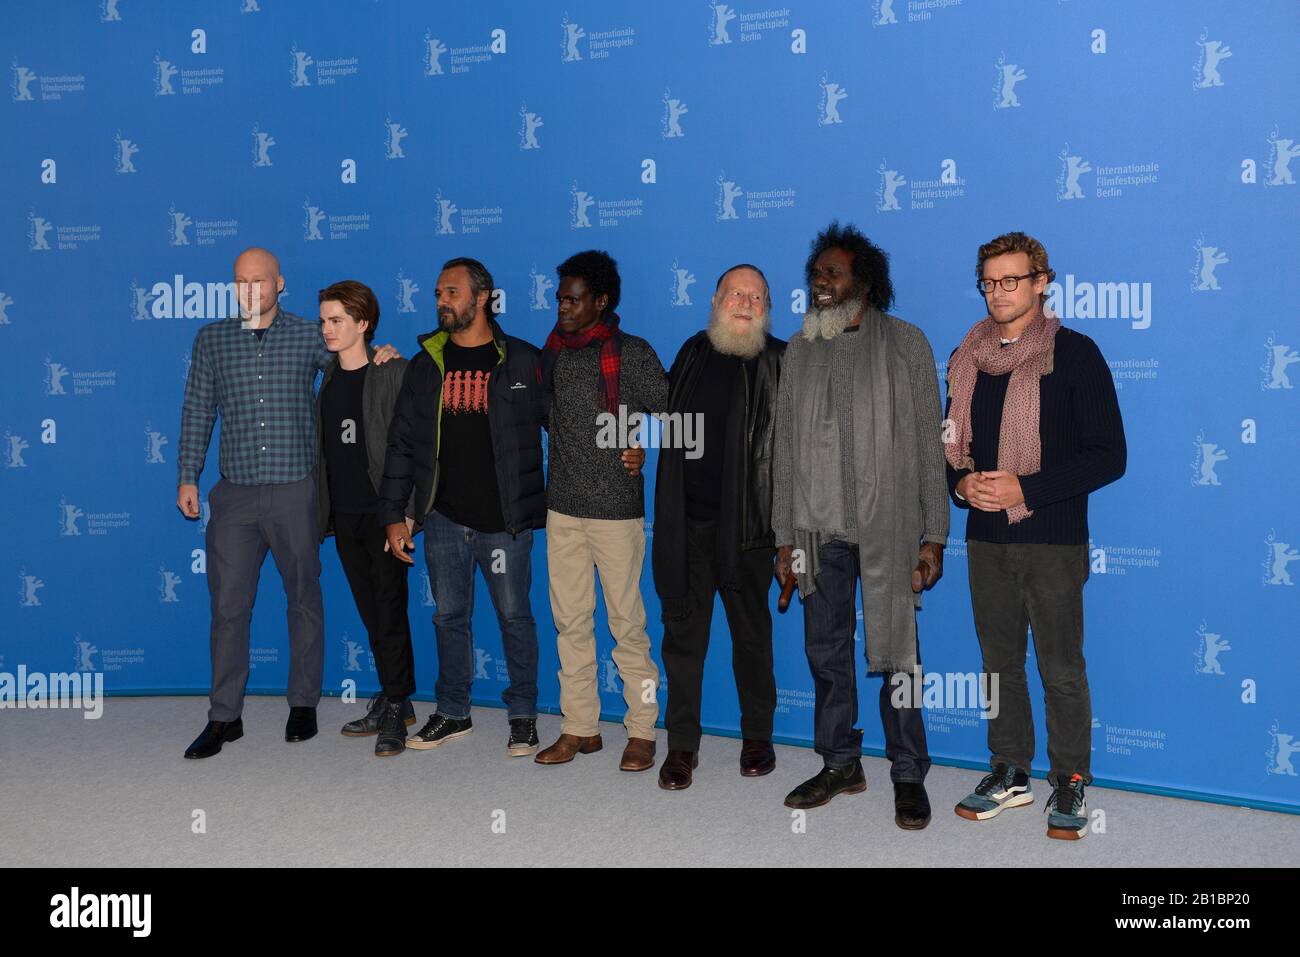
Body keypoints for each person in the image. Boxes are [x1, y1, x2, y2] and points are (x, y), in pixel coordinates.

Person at [177, 247, 399, 759]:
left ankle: (304, 704)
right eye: (240, 281)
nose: (250, 289)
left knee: (303, 598)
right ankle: (223, 716)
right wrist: (188, 475)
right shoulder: (211, 340)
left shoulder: (310, 334)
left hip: (297, 489)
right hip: (234, 495)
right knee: (228, 608)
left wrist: (382, 356)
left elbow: (352, 366)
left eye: (259, 280)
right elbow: (196, 409)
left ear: (280, 284)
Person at [946, 231, 1125, 840]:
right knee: (998, 666)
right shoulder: (967, 356)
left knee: (1060, 667)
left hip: (1051, 538)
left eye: (1012, 280)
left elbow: (1109, 456)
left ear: (1042, 282)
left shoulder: (1075, 354)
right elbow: (952, 446)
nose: (999, 292)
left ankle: (1071, 778)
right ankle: (1009, 769)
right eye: (990, 282)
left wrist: (1028, 488)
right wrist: (960, 485)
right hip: (985, 540)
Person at [773, 222, 948, 829]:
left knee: (900, 656)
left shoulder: (907, 344)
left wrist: (935, 534)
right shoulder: (799, 350)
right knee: (825, 654)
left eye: (832, 274)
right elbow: (784, 450)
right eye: (815, 274)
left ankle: (907, 772)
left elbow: (931, 446)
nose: (820, 283)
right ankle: (840, 762)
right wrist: (784, 541)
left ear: (865, 283)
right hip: (817, 531)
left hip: (891, 526)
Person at [534, 250, 669, 772]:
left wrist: (644, 443)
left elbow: (676, 417)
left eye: (573, 299)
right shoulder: (554, 355)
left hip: (616, 512)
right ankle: (579, 727)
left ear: (602, 301)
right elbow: (547, 419)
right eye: (560, 299)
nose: (562, 308)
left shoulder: (631, 354)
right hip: (562, 510)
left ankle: (642, 730)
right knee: (570, 623)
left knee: (627, 626)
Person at [651, 264, 785, 790]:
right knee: (683, 644)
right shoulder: (691, 353)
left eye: (757, 296)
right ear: (715, 300)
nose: (746, 302)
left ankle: (758, 738)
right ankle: (681, 745)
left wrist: (788, 536)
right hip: (688, 528)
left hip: (749, 532)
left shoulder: (779, 362)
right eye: (736, 293)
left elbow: (793, 456)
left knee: (752, 639)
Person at [316, 280, 417, 757]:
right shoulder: (329, 378)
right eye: (323, 321)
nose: (327, 329)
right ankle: (393, 694)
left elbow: (412, 448)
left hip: (384, 517)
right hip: (345, 516)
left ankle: (398, 704)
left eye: (336, 320)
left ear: (364, 324)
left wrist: (405, 514)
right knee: (371, 613)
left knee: (390, 609)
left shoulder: (391, 371)